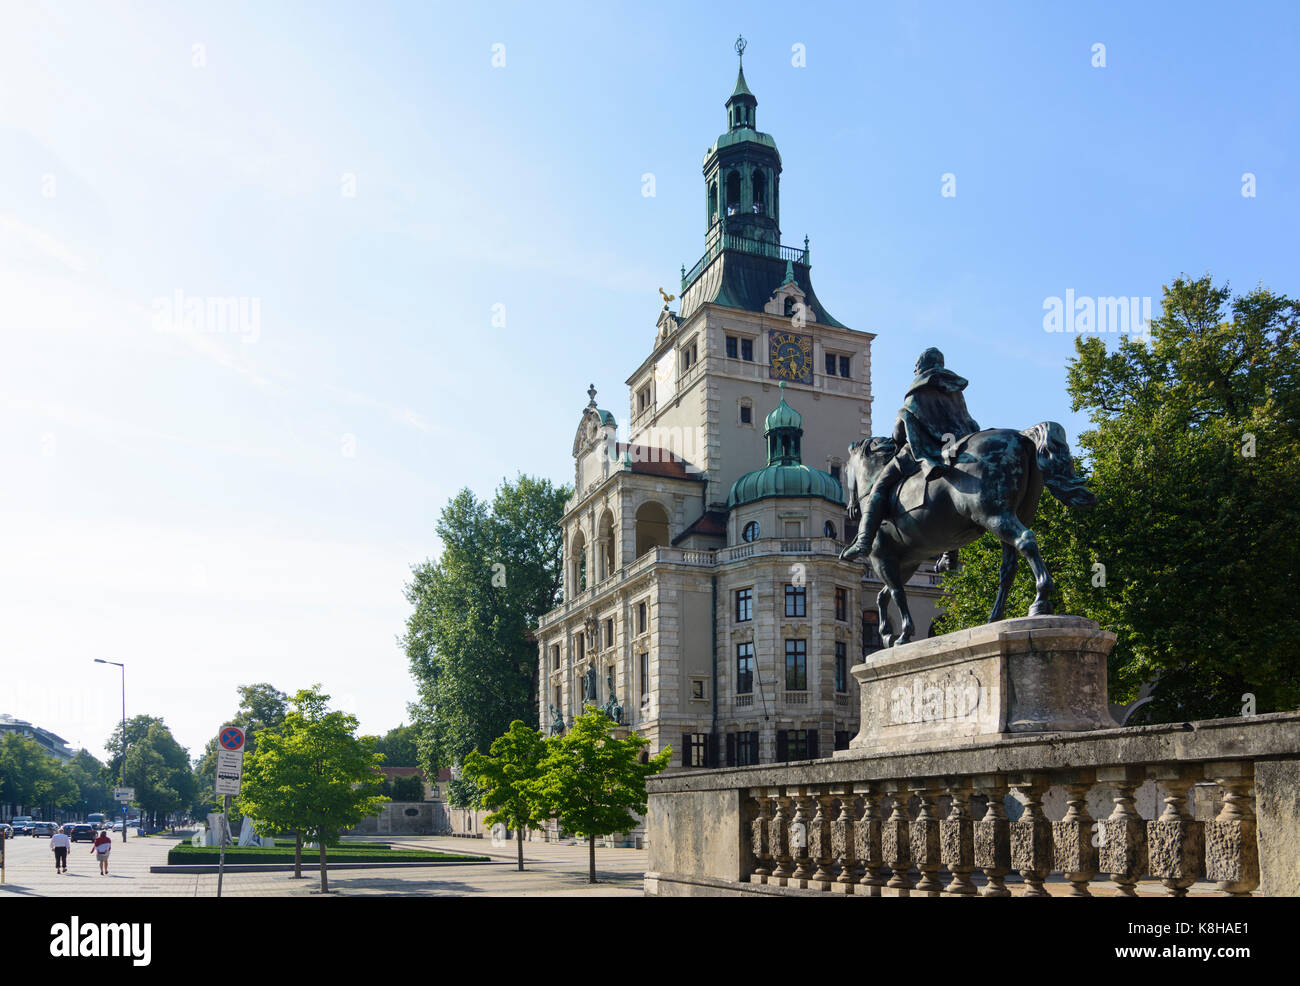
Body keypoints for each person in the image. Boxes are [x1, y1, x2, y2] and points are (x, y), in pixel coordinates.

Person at [841, 347, 981, 563]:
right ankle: (949, 553)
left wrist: (896, 441)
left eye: (916, 365)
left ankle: (863, 541)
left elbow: (901, 426)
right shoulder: (953, 388)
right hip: (956, 446)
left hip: (926, 447)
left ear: (923, 366)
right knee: (954, 491)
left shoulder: (920, 387)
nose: (915, 369)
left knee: (880, 486)